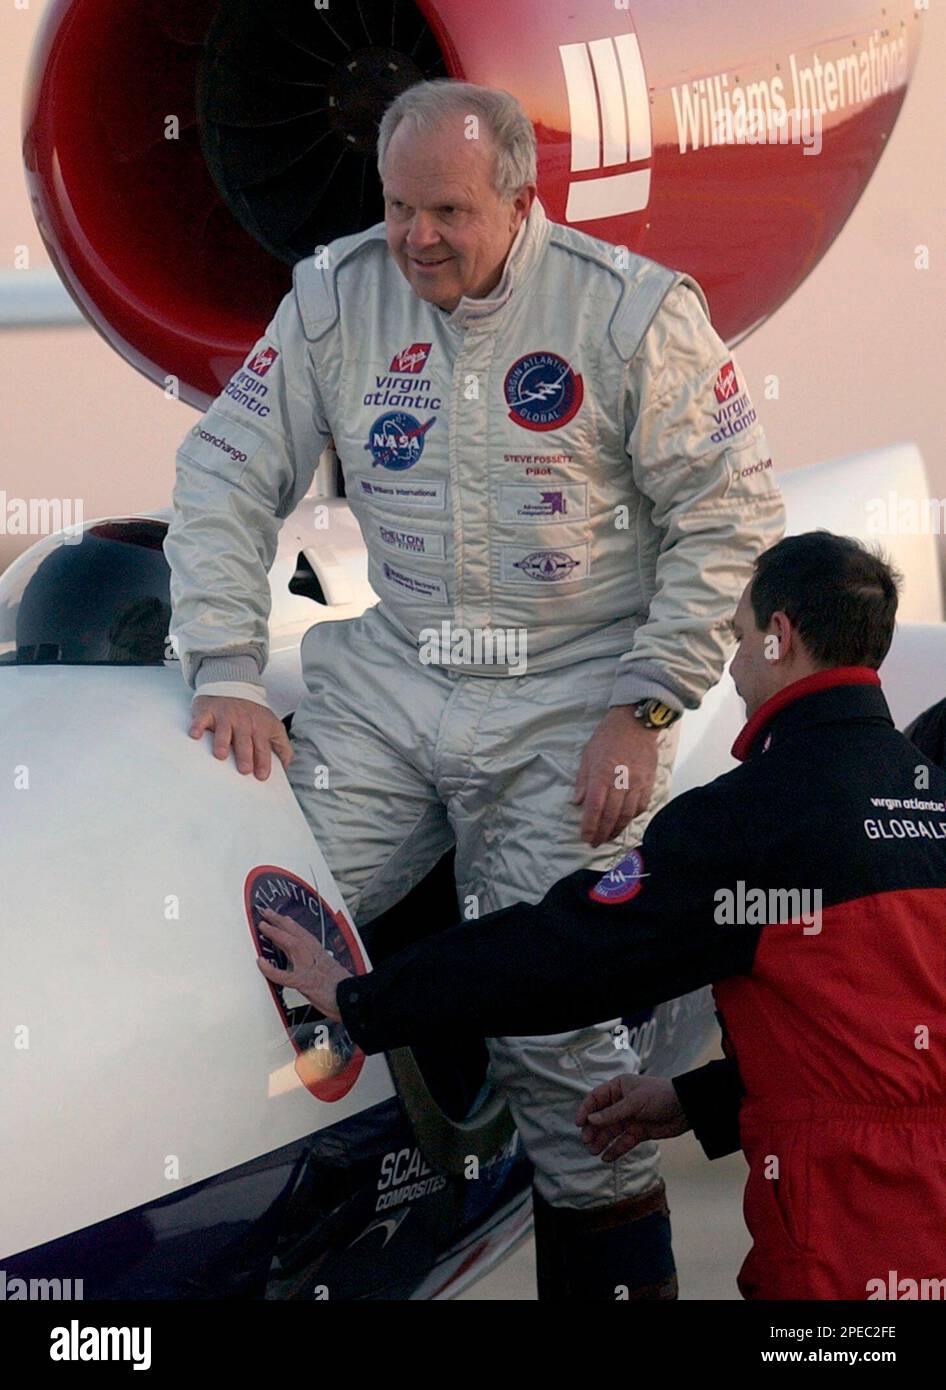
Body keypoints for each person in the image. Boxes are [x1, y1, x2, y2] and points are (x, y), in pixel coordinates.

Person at [163, 78, 784, 1300]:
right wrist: (227, 661)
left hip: (574, 691)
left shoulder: (630, 315)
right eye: (399, 209)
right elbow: (225, 473)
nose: (417, 239)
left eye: (446, 211)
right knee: (243, 916)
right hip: (394, 680)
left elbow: (731, 517)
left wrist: (648, 702)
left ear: (521, 198)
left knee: (561, 1051)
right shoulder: (335, 297)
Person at [257, 532, 946, 1302]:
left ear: (780, 639)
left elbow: (569, 954)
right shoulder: (934, 792)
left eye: (741, 636)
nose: (732, 662)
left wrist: (362, 997)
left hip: (855, 1232)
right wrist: (699, 1101)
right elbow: (887, 1034)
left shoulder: (752, 818)